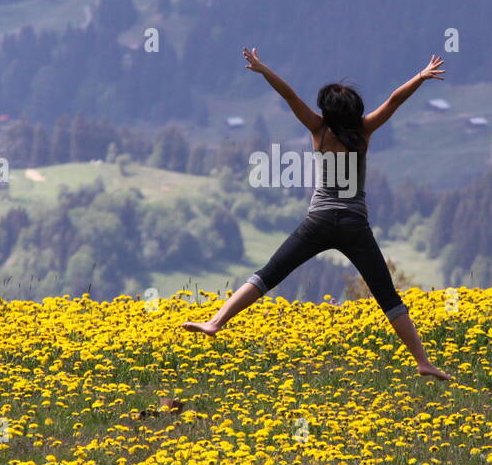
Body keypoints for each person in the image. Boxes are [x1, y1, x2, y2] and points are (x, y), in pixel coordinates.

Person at [181, 47, 454, 381]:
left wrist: (264, 69)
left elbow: (290, 95)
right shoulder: (363, 132)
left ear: (328, 111)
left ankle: (215, 322)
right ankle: (422, 361)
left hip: (319, 222)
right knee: (387, 295)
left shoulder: (318, 129)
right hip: (354, 225)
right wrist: (421, 76)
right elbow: (395, 100)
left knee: (267, 275)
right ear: (354, 111)